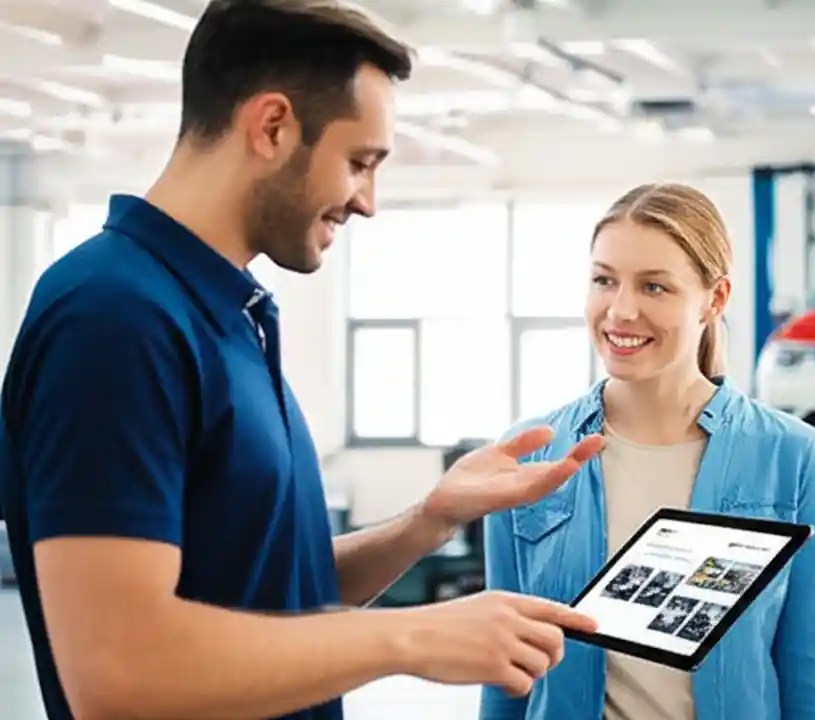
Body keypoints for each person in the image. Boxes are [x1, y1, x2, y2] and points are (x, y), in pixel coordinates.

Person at [0, 2, 602, 720]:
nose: (367, 202)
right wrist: (409, 636)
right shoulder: (114, 317)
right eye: (359, 163)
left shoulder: (230, 313)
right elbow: (118, 671)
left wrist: (428, 521)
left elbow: (276, 601)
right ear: (273, 127)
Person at [481, 183, 815, 720]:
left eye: (654, 287)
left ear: (714, 300)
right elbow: (505, 675)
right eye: (604, 280)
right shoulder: (530, 453)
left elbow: (808, 670)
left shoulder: (789, 454)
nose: (621, 310)